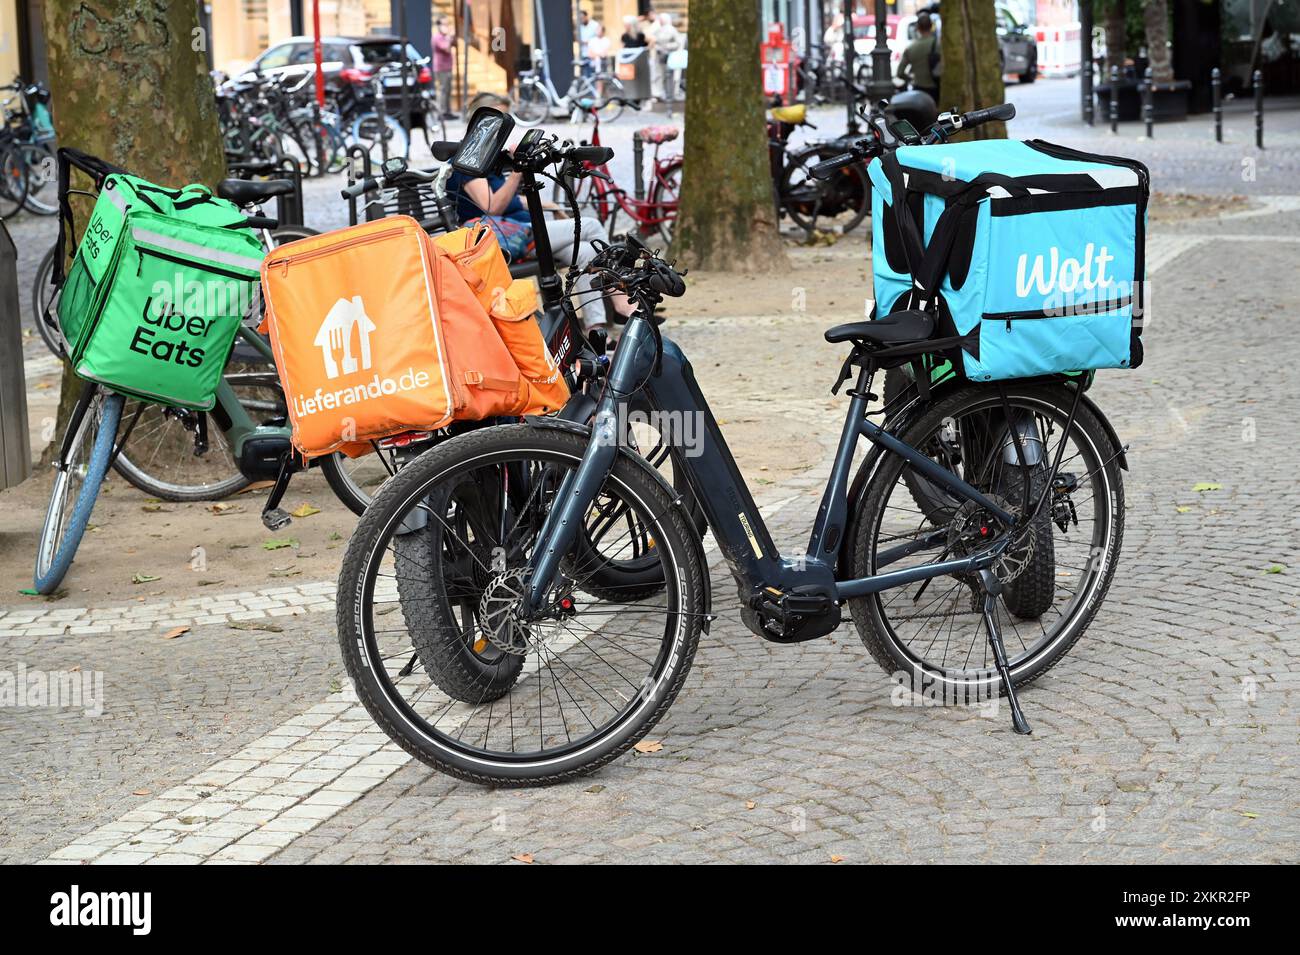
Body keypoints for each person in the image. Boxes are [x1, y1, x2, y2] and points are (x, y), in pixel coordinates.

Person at [444, 165, 633, 333]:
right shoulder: (466, 166)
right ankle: (618, 295)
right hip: (510, 237)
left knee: (585, 252)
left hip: (526, 234)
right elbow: (492, 206)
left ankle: (595, 328)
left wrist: (549, 205)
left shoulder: (489, 164)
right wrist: (517, 171)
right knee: (591, 226)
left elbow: (512, 199)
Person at [897, 12, 940, 103]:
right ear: (931, 26)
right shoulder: (939, 45)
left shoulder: (910, 48)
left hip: (918, 89)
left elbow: (900, 72)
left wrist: (911, 79)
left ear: (918, 28)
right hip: (936, 89)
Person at [650, 13, 682, 101]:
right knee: (658, 75)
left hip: (670, 57)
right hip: (659, 56)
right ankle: (658, 93)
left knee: (669, 76)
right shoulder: (658, 30)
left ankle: (670, 93)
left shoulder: (672, 30)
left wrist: (666, 46)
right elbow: (653, 41)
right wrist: (657, 47)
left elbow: (678, 43)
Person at [431, 16, 456, 120]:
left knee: (448, 90)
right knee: (443, 90)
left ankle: (448, 111)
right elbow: (446, 48)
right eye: (444, 24)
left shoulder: (445, 37)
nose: (446, 26)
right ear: (439, 26)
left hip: (448, 67)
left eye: (447, 24)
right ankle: (441, 113)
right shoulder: (437, 37)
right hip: (441, 68)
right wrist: (449, 37)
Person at [578, 8, 598, 78]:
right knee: (585, 75)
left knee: (594, 75)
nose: (582, 19)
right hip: (583, 54)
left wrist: (589, 42)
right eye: (580, 18)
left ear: (586, 16)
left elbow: (597, 38)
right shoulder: (580, 27)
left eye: (583, 17)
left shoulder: (595, 25)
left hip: (593, 54)